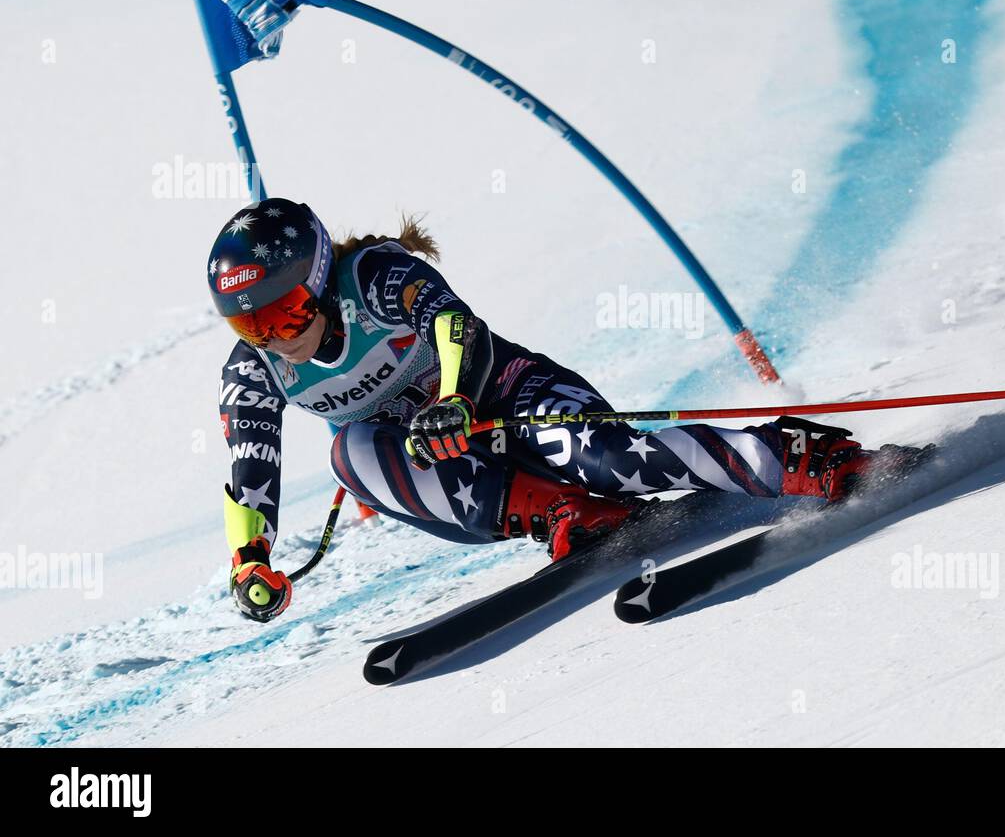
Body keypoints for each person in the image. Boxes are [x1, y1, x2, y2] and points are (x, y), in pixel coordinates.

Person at [210, 200, 927, 621]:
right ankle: (561, 514)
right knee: (349, 452)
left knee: (612, 459)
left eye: (287, 310)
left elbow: (455, 326)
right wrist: (251, 560)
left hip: (508, 400)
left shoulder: (372, 277)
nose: (277, 336)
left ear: (316, 278)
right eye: (252, 326)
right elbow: (250, 466)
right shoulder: (256, 367)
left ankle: (799, 456)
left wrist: (456, 399)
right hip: (457, 481)